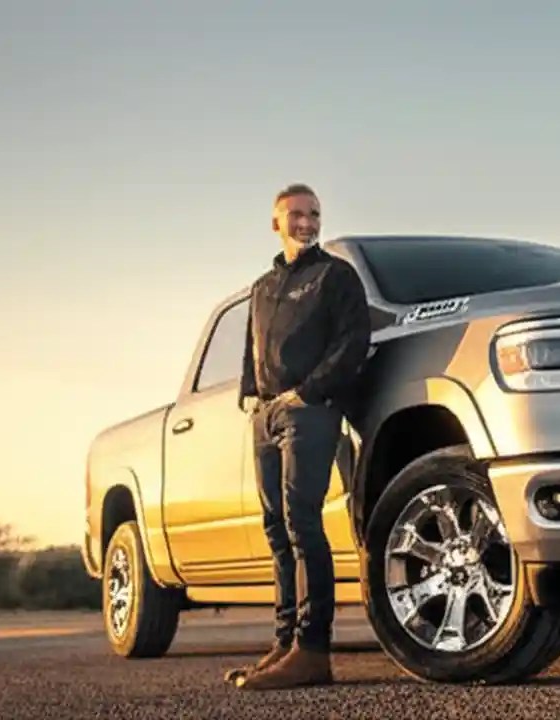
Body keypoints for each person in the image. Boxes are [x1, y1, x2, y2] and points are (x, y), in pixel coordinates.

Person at [224, 183, 370, 690]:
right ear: (276, 222)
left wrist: (307, 393)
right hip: (265, 416)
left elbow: (355, 341)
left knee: (302, 522)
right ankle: (284, 643)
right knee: (274, 529)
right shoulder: (264, 287)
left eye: (314, 214)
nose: (307, 222)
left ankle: (313, 650)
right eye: (297, 215)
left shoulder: (335, 275)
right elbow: (252, 347)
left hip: (310, 411)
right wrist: (250, 395)